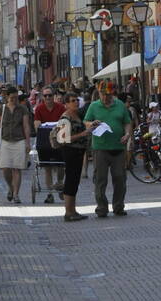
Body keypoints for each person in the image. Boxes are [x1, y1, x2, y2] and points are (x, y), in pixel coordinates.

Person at [84, 80, 133, 218]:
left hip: (118, 147)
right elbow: (86, 122)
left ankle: (118, 206)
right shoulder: (94, 106)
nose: (105, 97)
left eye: (108, 95)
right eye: (103, 94)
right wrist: (91, 123)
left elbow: (127, 123)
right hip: (100, 148)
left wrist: (127, 134)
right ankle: (101, 207)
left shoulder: (120, 105)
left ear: (113, 94)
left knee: (120, 178)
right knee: (100, 179)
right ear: (98, 93)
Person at [0, 86, 33, 204]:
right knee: (5, 168)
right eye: (12, 98)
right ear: (7, 97)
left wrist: (28, 142)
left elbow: (26, 126)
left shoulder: (23, 109)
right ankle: (10, 187)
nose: (14, 100)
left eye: (16, 98)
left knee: (17, 168)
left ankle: (16, 194)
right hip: (5, 140)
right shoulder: (2, 109)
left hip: (19, 140)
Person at [58, 93, 89, 221]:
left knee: (75, 181)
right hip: (70, 151)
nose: (76, 102)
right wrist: (82, 134)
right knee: (70, 180)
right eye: (72, 101)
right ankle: (68, 212)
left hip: (78, 151)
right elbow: (62, 138)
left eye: (76, 100)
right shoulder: (65, 118)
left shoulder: (76, 115)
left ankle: (73, 210)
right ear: (66, 104)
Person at [34, 86, 66, 204]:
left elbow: (65, 122)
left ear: (54, 96)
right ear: (43, 97)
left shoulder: (61, 108)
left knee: (61, 165)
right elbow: (36, 123)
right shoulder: (39, 108)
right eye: (45, 95)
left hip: (58, 140)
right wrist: (38, 126)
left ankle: (59, 182)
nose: (47, 98)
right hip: (45, 141)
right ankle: (50, 193)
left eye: (50, 95)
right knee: (47, 167)